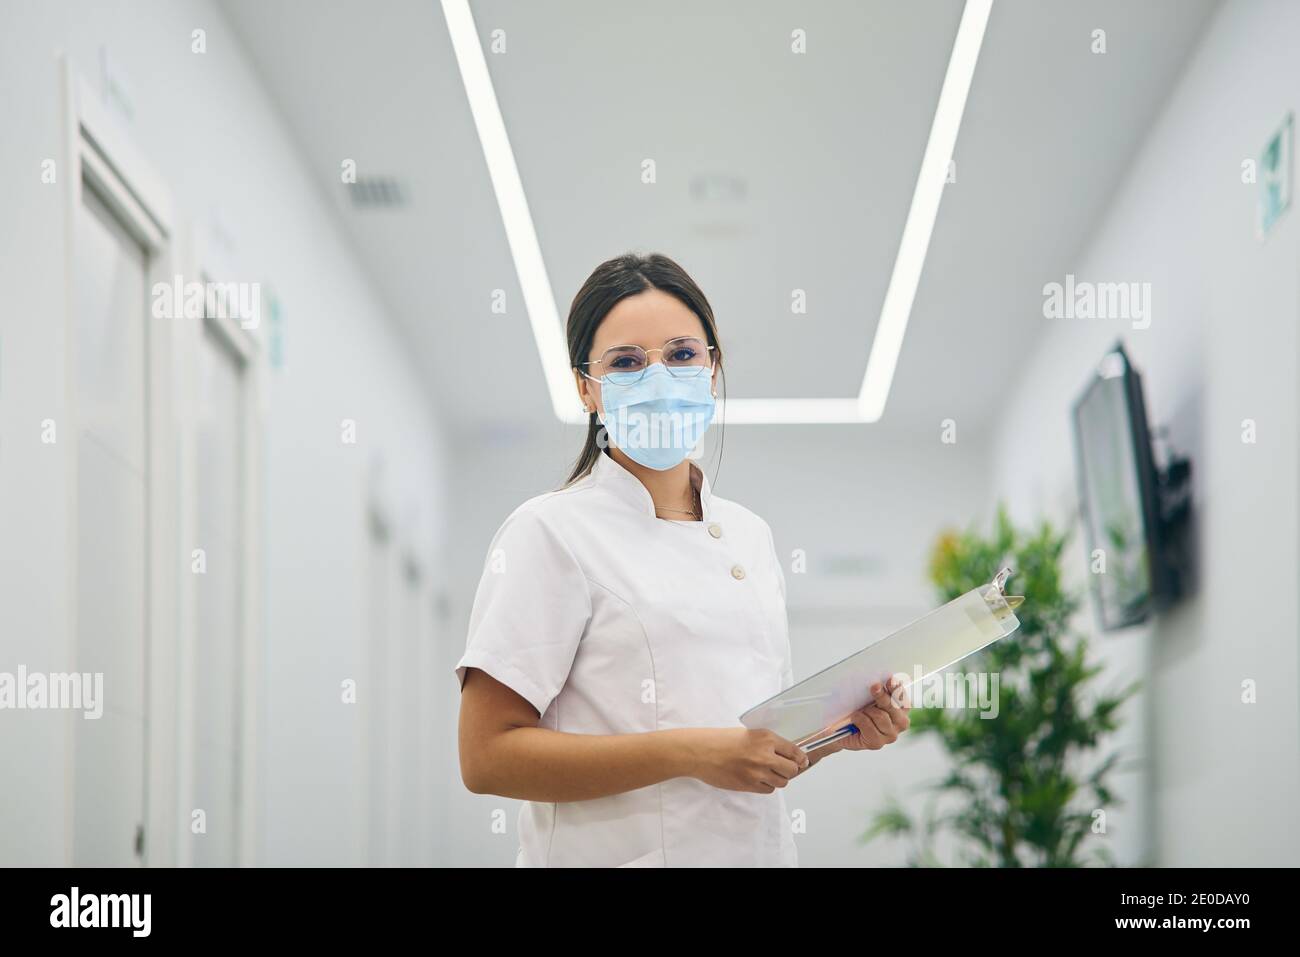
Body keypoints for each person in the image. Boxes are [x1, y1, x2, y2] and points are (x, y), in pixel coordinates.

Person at [455, 252, 910, 867]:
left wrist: (840, 731)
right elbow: (487, 758)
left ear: (713, 368)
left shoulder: (750, 535)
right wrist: (693, 753)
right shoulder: (550, 532)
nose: (661, 377)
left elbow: (751, 745)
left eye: (682, 355)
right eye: (626, 362)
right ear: (586, 388)